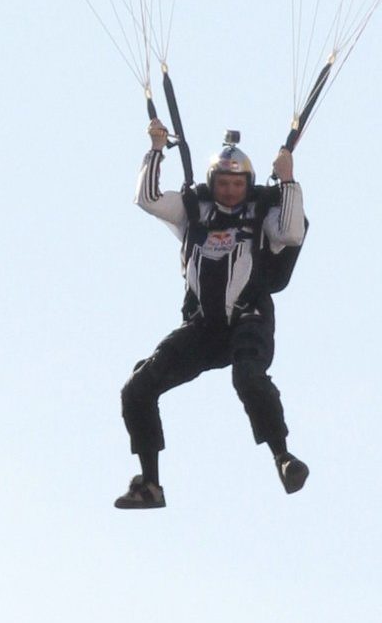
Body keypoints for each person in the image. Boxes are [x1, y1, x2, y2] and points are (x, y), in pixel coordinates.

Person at [115, 122, 308, 508]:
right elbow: (148, 199)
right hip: (203, 326)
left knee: (248, 377)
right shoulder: (193, 211)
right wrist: (156, 149)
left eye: (238, 185)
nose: (230, 191)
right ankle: (150, 485)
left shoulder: (261, 215)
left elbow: (290, 234)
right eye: (223, 183)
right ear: (212, 181)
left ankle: (282, 456)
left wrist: (288, 181)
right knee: (137, 387)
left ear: (248, 184)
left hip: (248, 318)